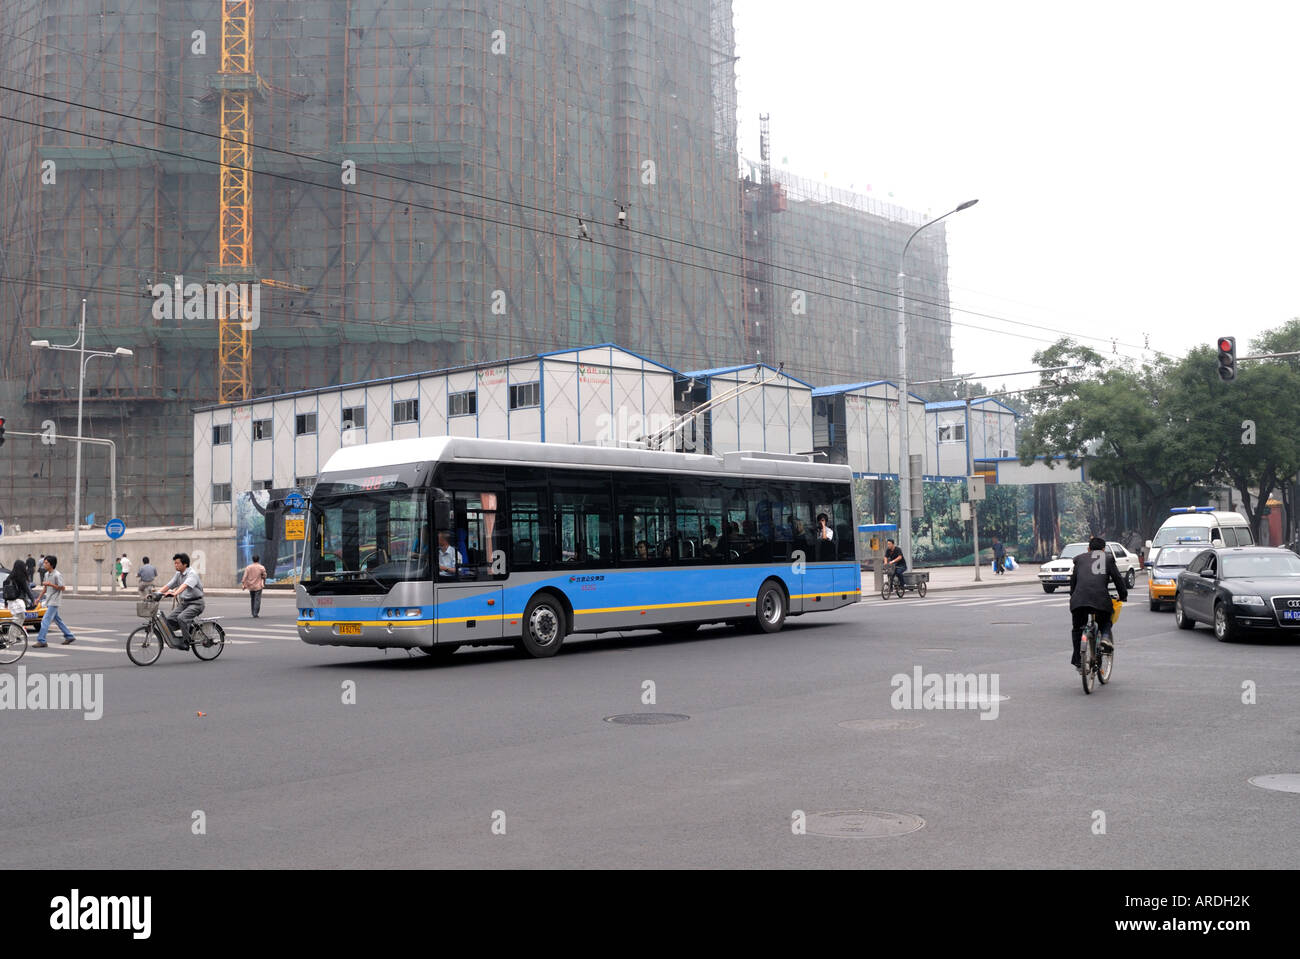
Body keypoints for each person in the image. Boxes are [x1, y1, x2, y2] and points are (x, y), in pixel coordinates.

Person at [1068, 535, 1128, 670]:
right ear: (1103, 549)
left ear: (1088, 548)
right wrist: (1123, 595)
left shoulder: (1079, 559)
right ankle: (1105, 637)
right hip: (1100, 600)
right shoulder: (1107, 558)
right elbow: (1118, 580)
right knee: (1106, 619)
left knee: (1078, 628)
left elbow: (1073, 582)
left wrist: (1073, 596)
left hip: (1079, 600)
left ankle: (1078, 659)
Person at [160, 552, 205, 648]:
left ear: (185, 564)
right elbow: (169, 584)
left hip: (196, 603)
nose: (175, 565)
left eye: (177, 563)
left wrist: (175, 593)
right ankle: (188, 628)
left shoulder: (192, 574)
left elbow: (184, 586)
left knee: (181, 618)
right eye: (174, 563)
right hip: (185, 603)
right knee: (169, 620)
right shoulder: (178, 574)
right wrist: (157, 594)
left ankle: (186, 641)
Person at [32, 555, 76, 648]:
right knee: (57, 619)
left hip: (54, 600)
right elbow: (45, 588)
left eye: (46, 562)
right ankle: (69, 635)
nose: (44, 564)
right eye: (44, 562)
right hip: (49, 599)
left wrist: (51, 584)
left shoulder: (57, 574)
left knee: (45, 620)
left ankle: (41, 640)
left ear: (51, 564)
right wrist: (39, 598)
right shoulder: (46, 574)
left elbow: (63, 588)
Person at [241, 553, 268, 618]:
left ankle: (253, 612)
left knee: (252, 599)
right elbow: (264, 576)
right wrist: (263, 578)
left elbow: (244, 577)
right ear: (258, 560)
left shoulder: (248, 567)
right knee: (257, 599)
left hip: (250, 585)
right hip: (258, 586)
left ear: (252, 560)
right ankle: (255, 613)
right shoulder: (261, 567)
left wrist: (243, 584)